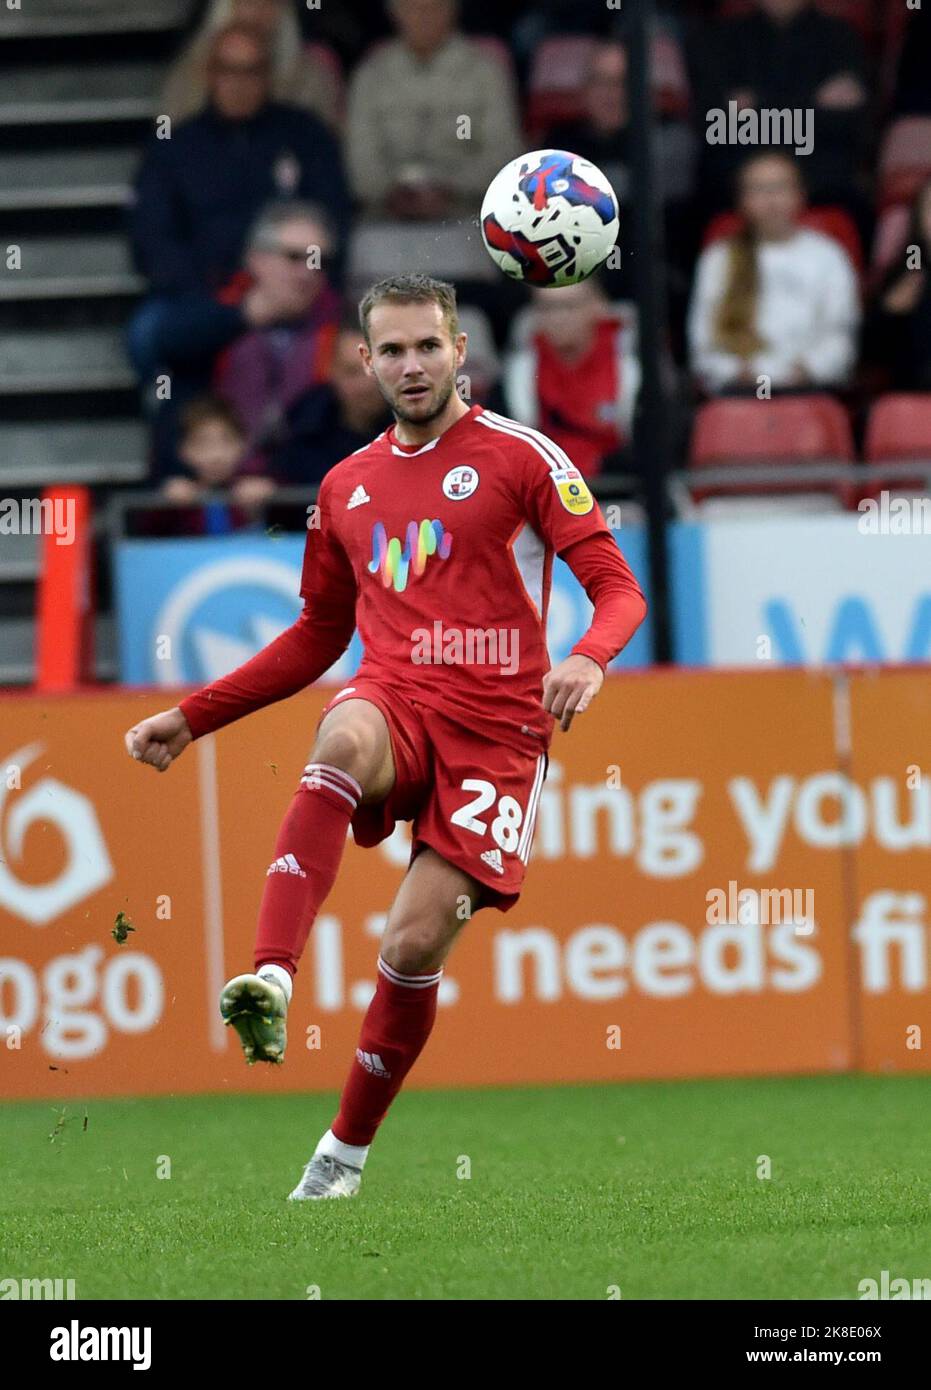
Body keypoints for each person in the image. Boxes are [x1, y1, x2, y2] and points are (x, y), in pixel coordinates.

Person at [124, 273, 647, 1201]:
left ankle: (342, 1157)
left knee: (411, 949)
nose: (410, 366)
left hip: (499, 734)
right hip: (396, 697)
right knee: (343, 735)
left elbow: (617, 585)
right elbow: (319, 636)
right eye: (392, 350)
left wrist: (590, 659)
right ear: (364, 361)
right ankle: (272, 983)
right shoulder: (345, 485)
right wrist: (192, 715)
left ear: (459, 354)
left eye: (427, 347)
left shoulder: (524, 458)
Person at [128, 22, 351, 299]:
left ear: (268, 75)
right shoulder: (174, 146)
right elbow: (151, 236)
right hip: (201, 297)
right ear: (211, 75)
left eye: (252, 72)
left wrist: (291, 280)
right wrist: (211, 291)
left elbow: (333, 217)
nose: (239, 83)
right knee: (148, 334)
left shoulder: (305, 135)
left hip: (295, 294)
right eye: (229, 71)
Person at [687, 153, 860, 396]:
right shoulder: (719, 259)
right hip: (737, 395)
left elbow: (840, 336)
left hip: (811, 392)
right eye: (759, 189)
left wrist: (804, 372)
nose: (771, 199)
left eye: (780, 188)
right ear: (741, 200)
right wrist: (740, 374)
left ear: (800, 194)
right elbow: (703, 342)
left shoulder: (829, 255)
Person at [691, 0, 869, 232]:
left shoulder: (841, 37)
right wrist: (812, 104)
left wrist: (758, 106)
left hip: (822, 177)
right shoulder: (719, 38)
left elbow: (848, 123)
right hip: (737, 172)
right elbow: (715, 125)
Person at [345, 0, 522, 220]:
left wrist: (450, 189)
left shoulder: (487, 72)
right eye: (413, 8)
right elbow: (359, 162)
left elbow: (505, 155)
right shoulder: (370, 75)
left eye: (435, 7)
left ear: (453, 10)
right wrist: (393, 193)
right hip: (384, 217)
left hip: (471, 215)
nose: (424, 16)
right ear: (394, 13)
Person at [503, 279, 640, 478]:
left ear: (597, 306)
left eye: (570, 306)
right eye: (547, 308)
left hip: (619, 491)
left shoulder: (630, 367)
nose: (559, 318)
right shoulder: (520, 373)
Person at [160, 0, 341, 128]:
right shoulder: (188, 76)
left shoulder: (312, 77)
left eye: (270, 2)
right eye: (247, 1)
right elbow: (168, 147)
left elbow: (324, 153)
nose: (259, 11)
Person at [269, 321, 394, 486]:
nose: (367, 385)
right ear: (331, 372)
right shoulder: (300, 429)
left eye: (375, 370)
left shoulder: (420, 425)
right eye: (352, 372)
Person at [867, 179, 931, 391]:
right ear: (918, 218)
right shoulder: (906, 272)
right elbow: (871, 354)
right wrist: (889, 313)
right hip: (914, 399)